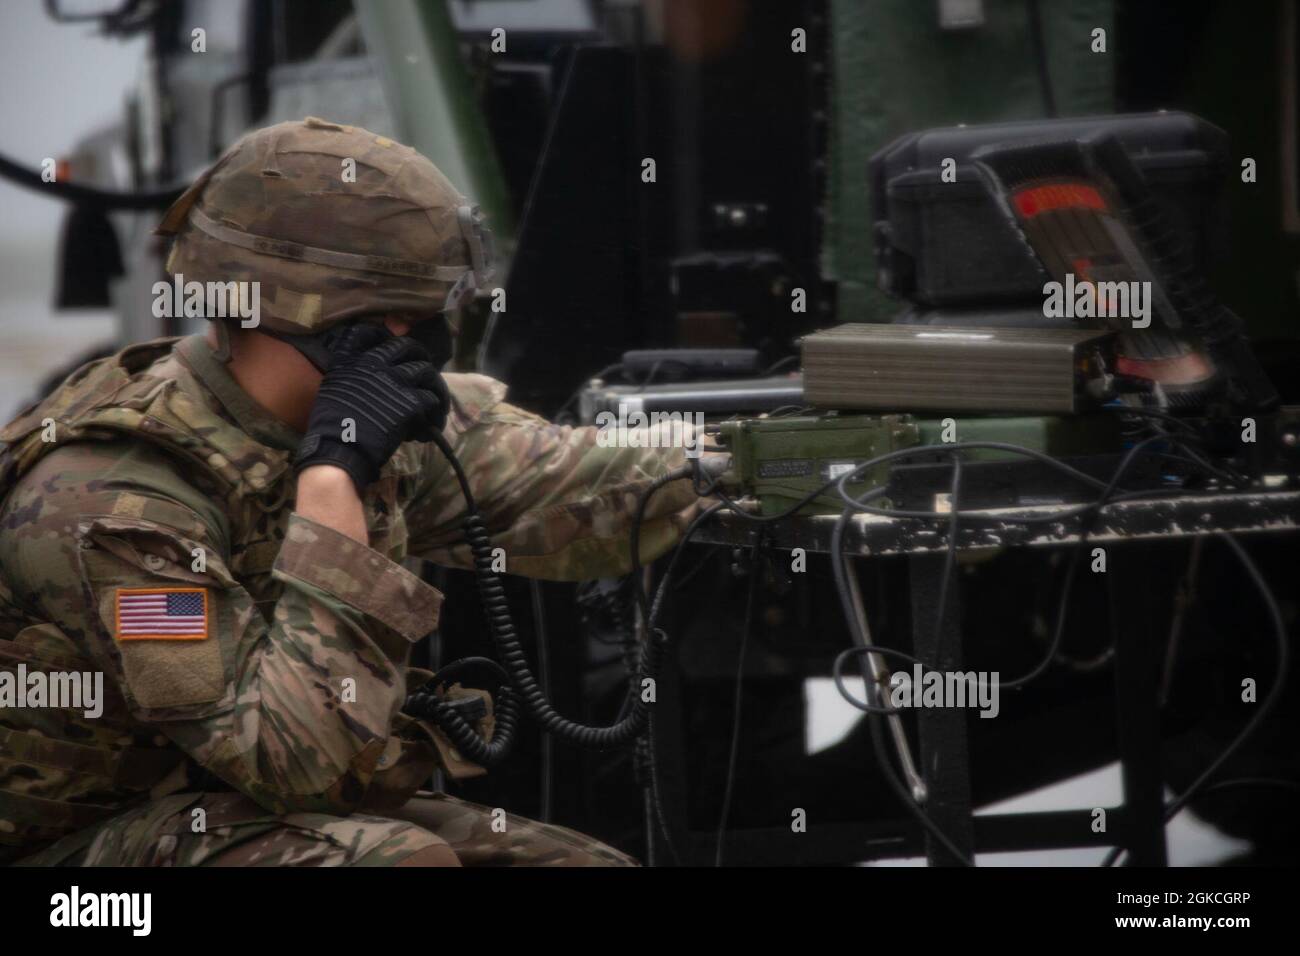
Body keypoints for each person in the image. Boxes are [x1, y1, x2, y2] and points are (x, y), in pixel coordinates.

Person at [0, 118, 706, 866]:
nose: (432, 338)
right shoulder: (109, 504)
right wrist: (332, 488)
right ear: (324, 321)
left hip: (237, 815)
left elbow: (571, 475)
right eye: (414, 313)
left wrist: (751, 462)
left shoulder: (357, 419)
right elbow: (299, 767)